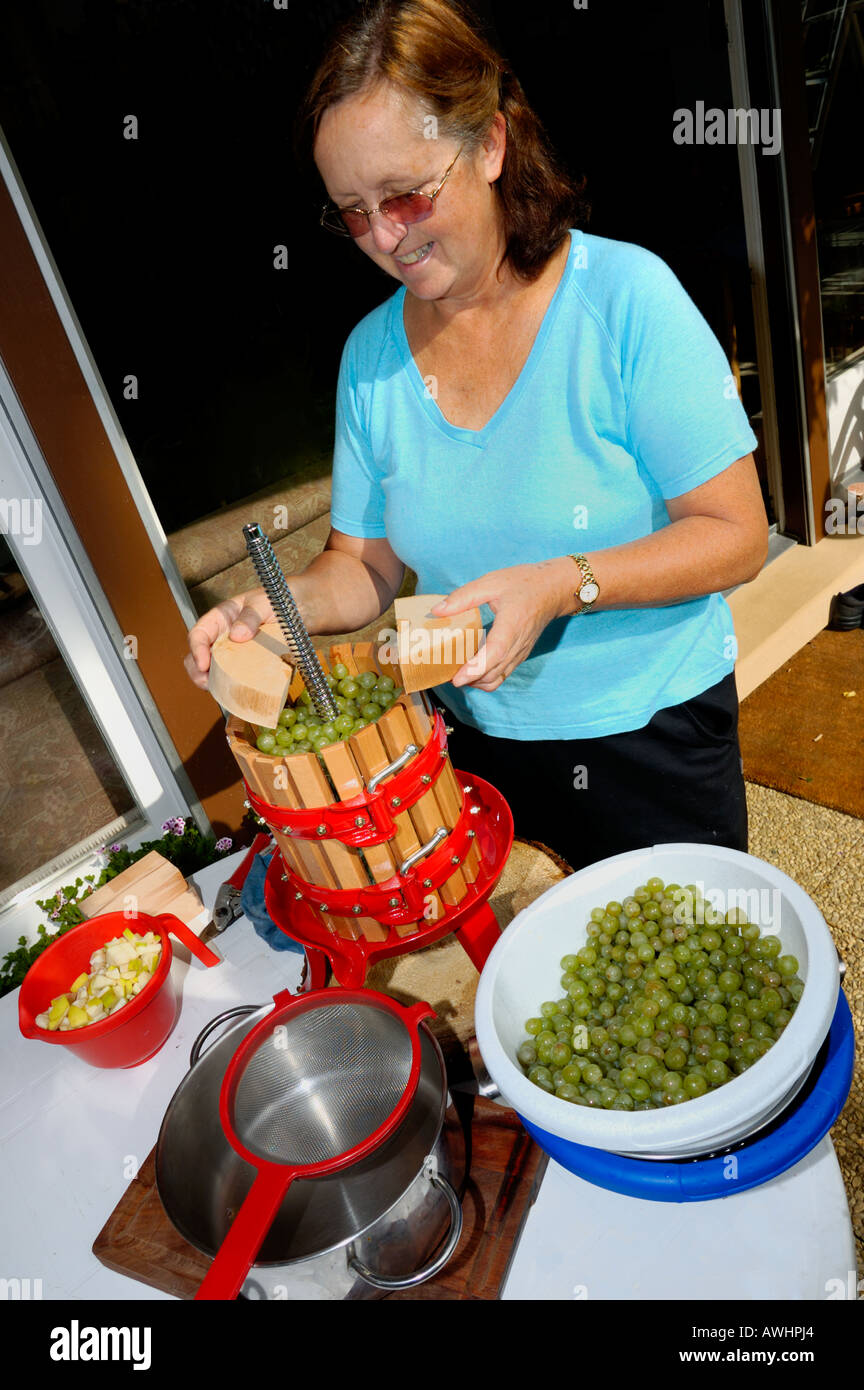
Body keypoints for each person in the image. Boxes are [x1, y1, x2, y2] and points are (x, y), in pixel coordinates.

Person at [185, 0, 768, 873]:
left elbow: (737, 536)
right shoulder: (370, 359)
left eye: (407, 194)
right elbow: (366, 565)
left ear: (490, 145)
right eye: (351, 211)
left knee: (674, 988)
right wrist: (273, 608)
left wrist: (562, 584)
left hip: (647, 736)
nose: (385, 238)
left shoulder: (624, 300)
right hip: (471, 743)